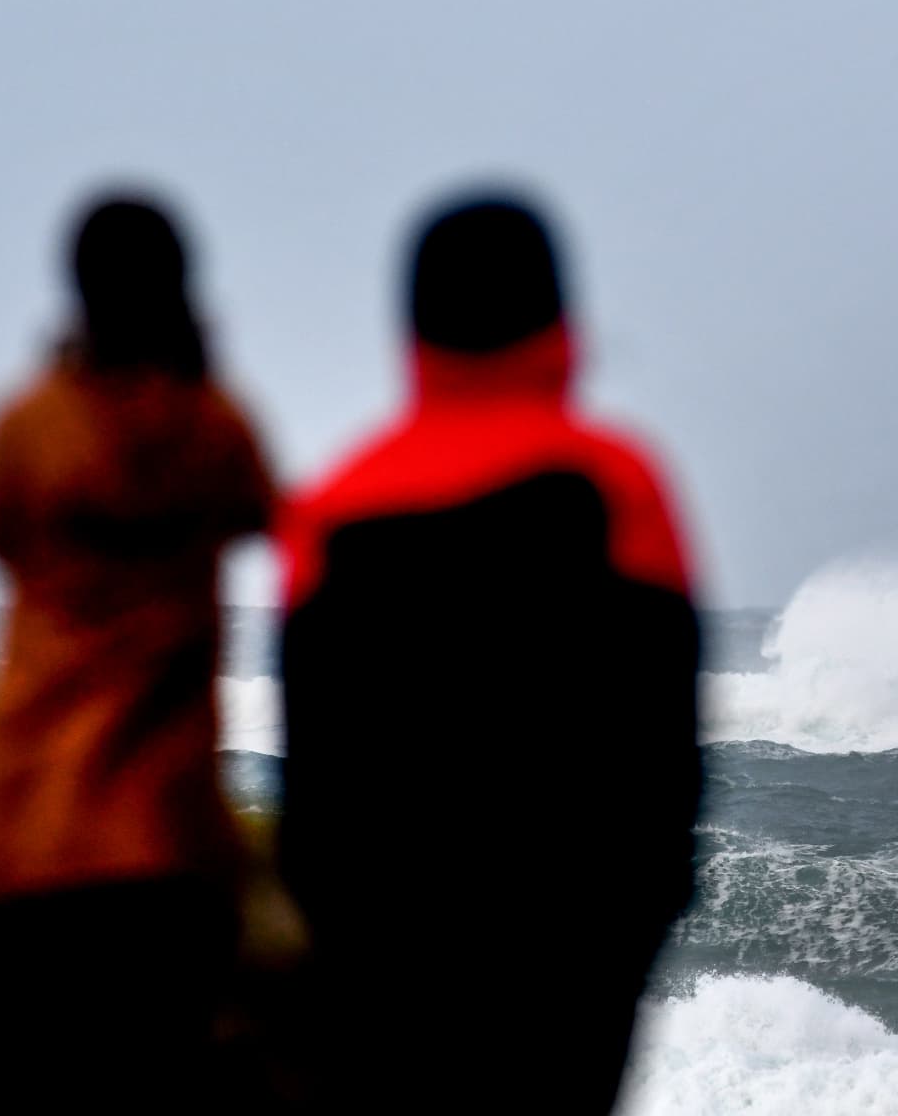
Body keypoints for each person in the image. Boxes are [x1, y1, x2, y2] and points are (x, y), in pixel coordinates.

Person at [276, 193, 703, 1113]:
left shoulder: (331, 511)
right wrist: (642, 917)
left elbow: (312, 786)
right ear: (560, 320)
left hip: (384, 958)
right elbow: (665, 744)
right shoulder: (618, 485)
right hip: (572, 955)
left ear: (412, 329)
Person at [0, 194, 274, 1113]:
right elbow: (258, 509)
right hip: (165, 840)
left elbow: (1, 535)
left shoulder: (25, 427)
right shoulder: (213, 428)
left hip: (32, 830)